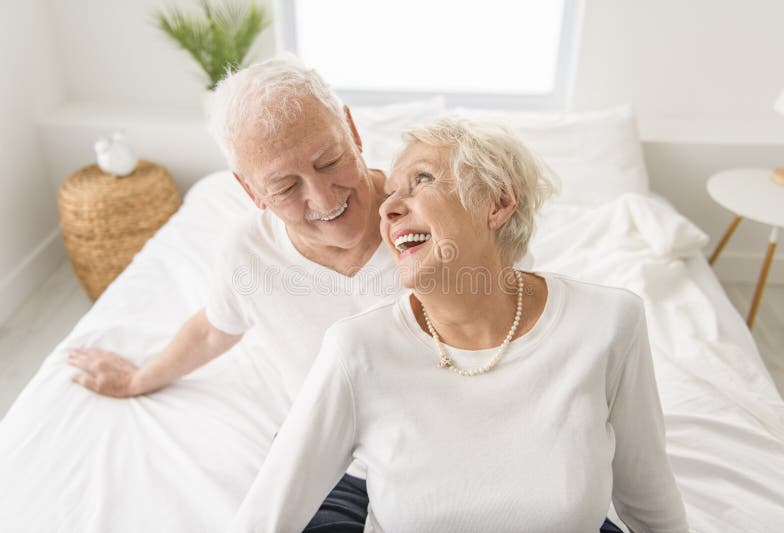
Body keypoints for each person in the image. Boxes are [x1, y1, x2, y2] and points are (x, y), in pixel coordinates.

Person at [228, 116, 690, 532]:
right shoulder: (357, 349)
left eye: (421, 180)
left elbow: (651, 506)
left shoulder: (608, 324)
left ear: (499, 201)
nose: (388, 209)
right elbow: (264, 519)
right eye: (390, 194)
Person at [66, 55, 403, 531]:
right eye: (285, 187)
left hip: (432, 443)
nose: (325, 199)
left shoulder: (427, 216)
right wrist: (139, 379)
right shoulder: (249, 252)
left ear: (351, 129)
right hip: (333, 461)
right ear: (250, 190)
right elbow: (212, 330)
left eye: (329, 161)